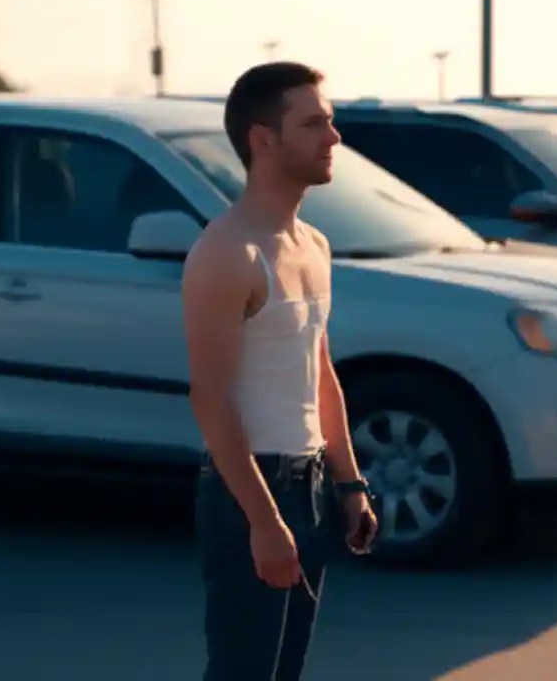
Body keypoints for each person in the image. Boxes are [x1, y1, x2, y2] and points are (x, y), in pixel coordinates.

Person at [182, 61, 379, 681]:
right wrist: (265, 523)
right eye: (313, 123)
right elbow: (210, 398)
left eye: (330, 121)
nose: (333, 137)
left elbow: (319, 372)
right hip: (251, 490)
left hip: (311, 486)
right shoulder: (226, 252)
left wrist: (349, 484)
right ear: (263, 140)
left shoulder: (312, 245)